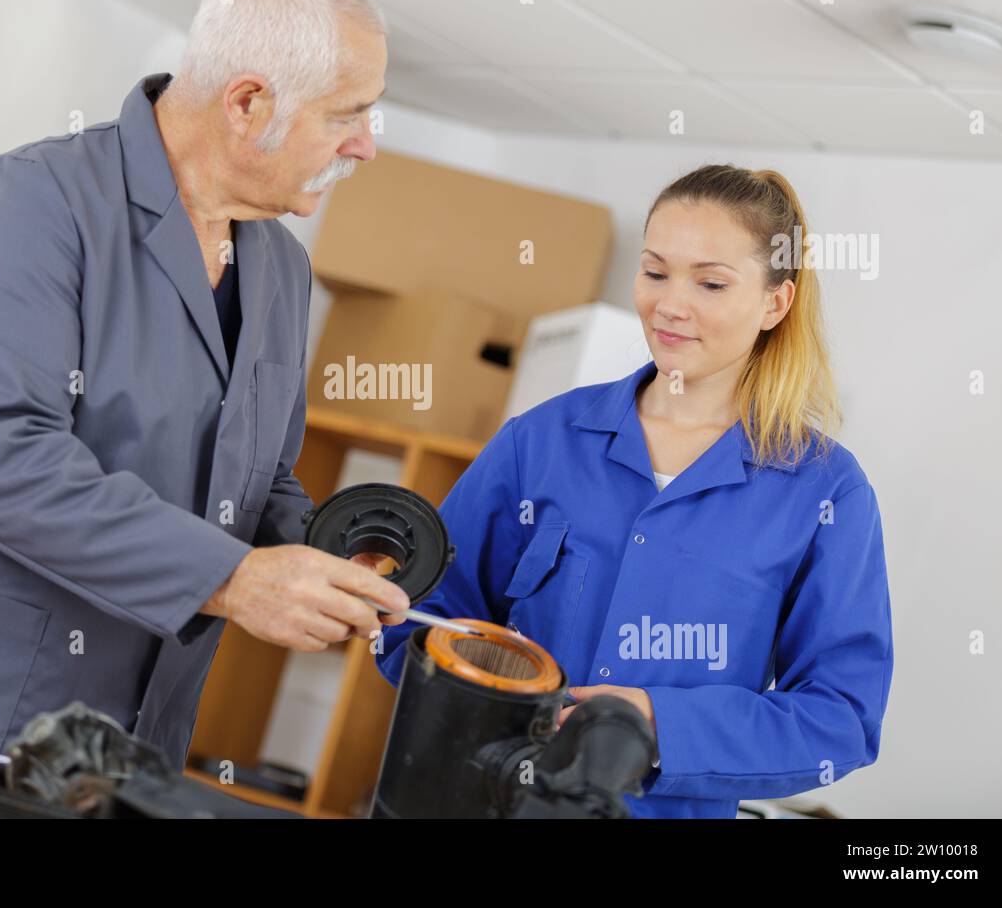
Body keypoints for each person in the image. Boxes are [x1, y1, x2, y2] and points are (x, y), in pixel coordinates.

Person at [0, 0, 408, 767]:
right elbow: (1, 458)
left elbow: (256, 475)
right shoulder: (34, 201)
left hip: (125, 731)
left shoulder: (281, 269)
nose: (366, 146)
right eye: (347, 115)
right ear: (249, 103)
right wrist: (237, 580)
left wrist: (327, 549)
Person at [376, 164, 894, 819]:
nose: (671, 304)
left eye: (710, 282)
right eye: (654, 272)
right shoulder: (541, 441)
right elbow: (421, 624)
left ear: (775, 302)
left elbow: (840, 718)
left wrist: (659, 727)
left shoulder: (824, 491)